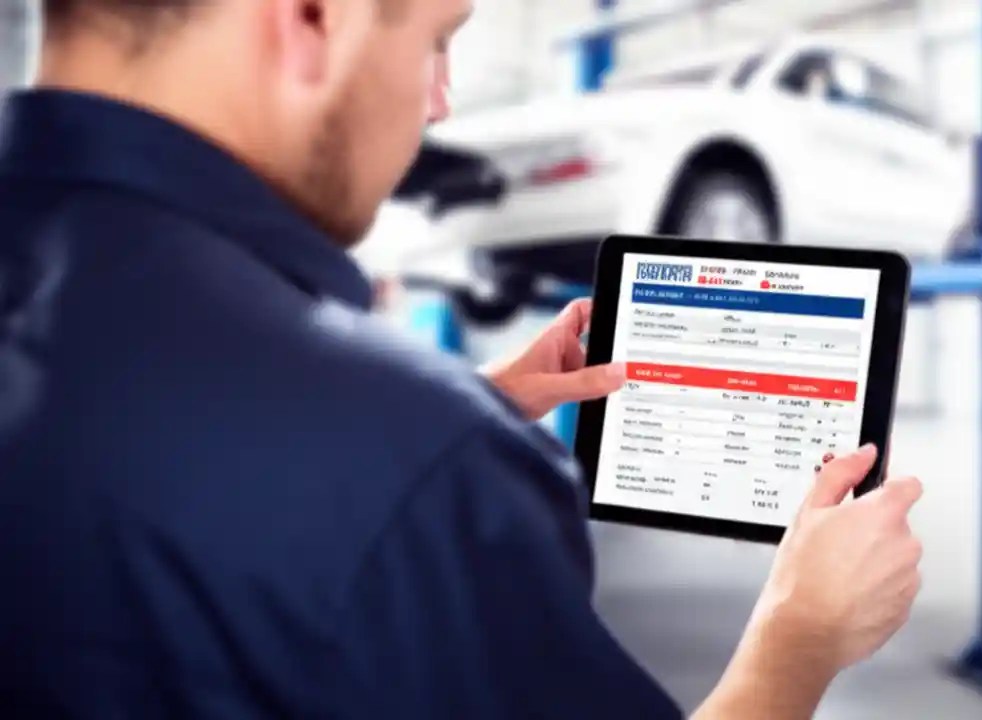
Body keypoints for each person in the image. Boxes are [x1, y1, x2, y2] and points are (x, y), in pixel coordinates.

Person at [0, 0, 924, 718]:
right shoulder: (424, 466)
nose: (440, 102)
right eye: (436, 40)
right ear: (312, 18)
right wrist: (798, 640)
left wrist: (460, 414)